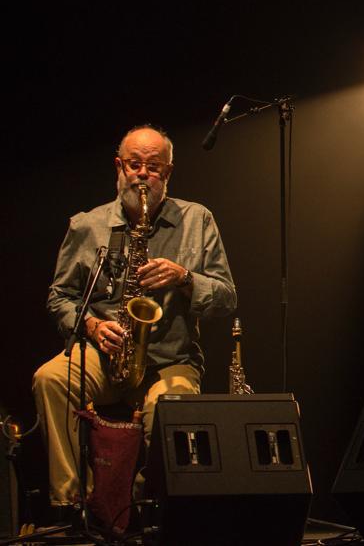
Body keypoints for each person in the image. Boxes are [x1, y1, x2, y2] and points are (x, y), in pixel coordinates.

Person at [31, 125, 238, 516]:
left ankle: (144, 506)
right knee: (50, 379)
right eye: (134, 164)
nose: (143, 174)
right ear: (119, 167)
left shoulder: (197, 219)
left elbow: (227, 298)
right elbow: (59, 297)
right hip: (106, 354)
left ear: (168, 173)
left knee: (171, 408)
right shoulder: (86, 225)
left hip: (170, 358)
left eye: (154, 167)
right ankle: (76, 504)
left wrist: (185, 278)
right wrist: (91, 325)